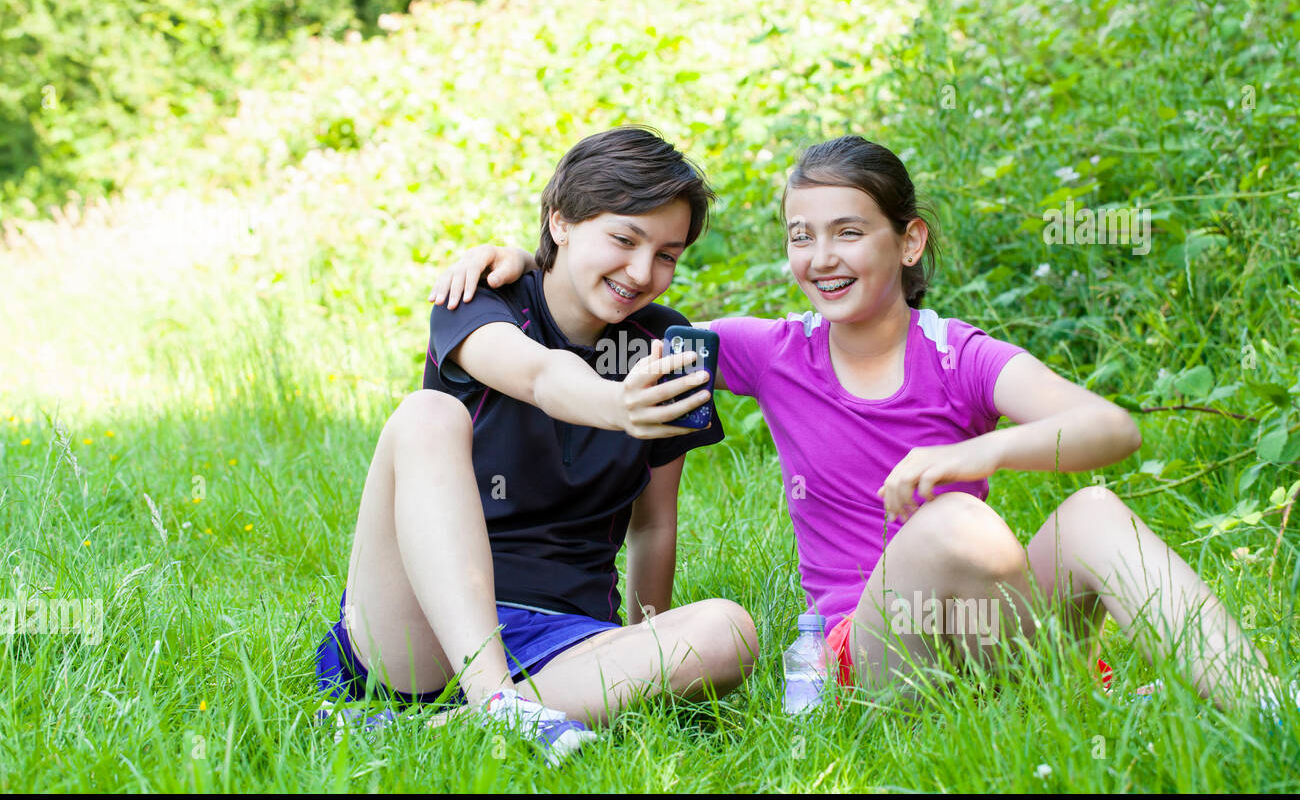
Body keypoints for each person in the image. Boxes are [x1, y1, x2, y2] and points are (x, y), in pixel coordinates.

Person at [431, 134, 1292, 714]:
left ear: (907, 242)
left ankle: (1265, 709)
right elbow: (604, 313)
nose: (822, 257)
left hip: (987, 624)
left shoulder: (961, 356)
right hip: (869, 643)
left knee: (1093, 513)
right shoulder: (769, 352)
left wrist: (977, 446)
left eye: (849, 231)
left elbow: (1111, 429)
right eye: (801, 236)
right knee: (956, 520)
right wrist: (511, 260)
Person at [316, 126, 758, 765]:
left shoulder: (665, 342)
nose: (642, 272)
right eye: (624, 239)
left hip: (565, 638)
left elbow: (655, 524)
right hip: (421, 631)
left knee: (727, 630)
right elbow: (541, 375)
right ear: (561, 223)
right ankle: (495, 701)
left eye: (667, 254)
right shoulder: (479, 299)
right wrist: (619, 406)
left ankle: (436, 733)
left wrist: (649, 649)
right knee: (426, 414)